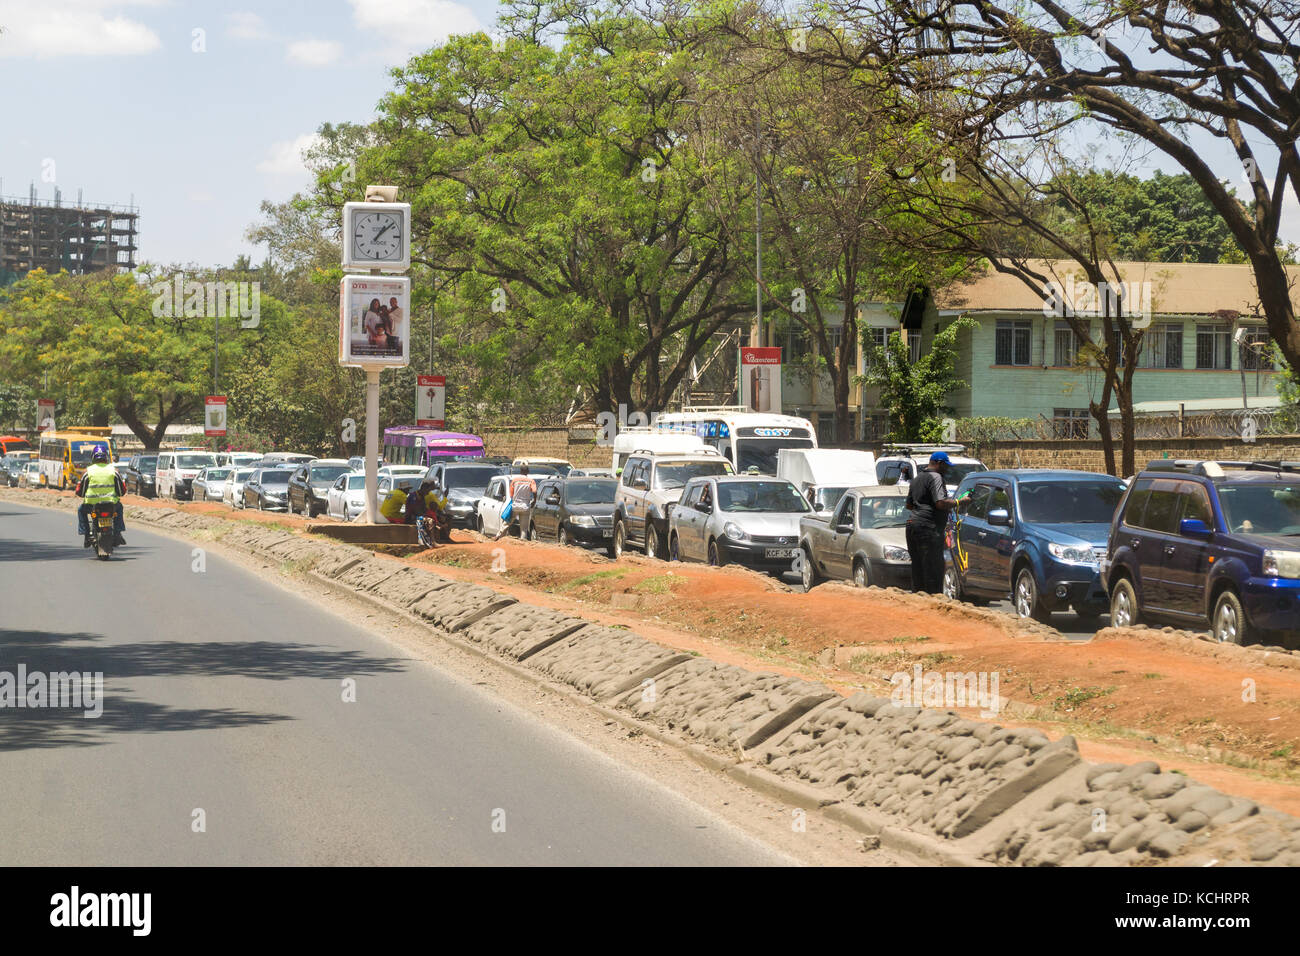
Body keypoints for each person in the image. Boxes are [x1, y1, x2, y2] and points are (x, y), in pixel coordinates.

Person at [904, 451, 958, 594]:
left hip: (912, 526)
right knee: (933, 569)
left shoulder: (917, 479)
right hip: (928, 528)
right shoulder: (936, 477)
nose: (947, 469)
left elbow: (909, 505)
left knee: (918, 567)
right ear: (939, 463)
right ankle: (932, 604)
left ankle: (918, 600)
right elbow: (940, 503)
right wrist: (958, 502)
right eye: (946, 466)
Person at [75, 446, 126, 547]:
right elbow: (121, 491)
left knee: (81, 510)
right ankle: (117, 533)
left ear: (93, 458)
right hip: (111, 504)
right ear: (106, 457)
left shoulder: (88, 472)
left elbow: (81, 492)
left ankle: (86, 534)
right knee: (119, 508)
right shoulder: (114, 471)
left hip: (91, 505)